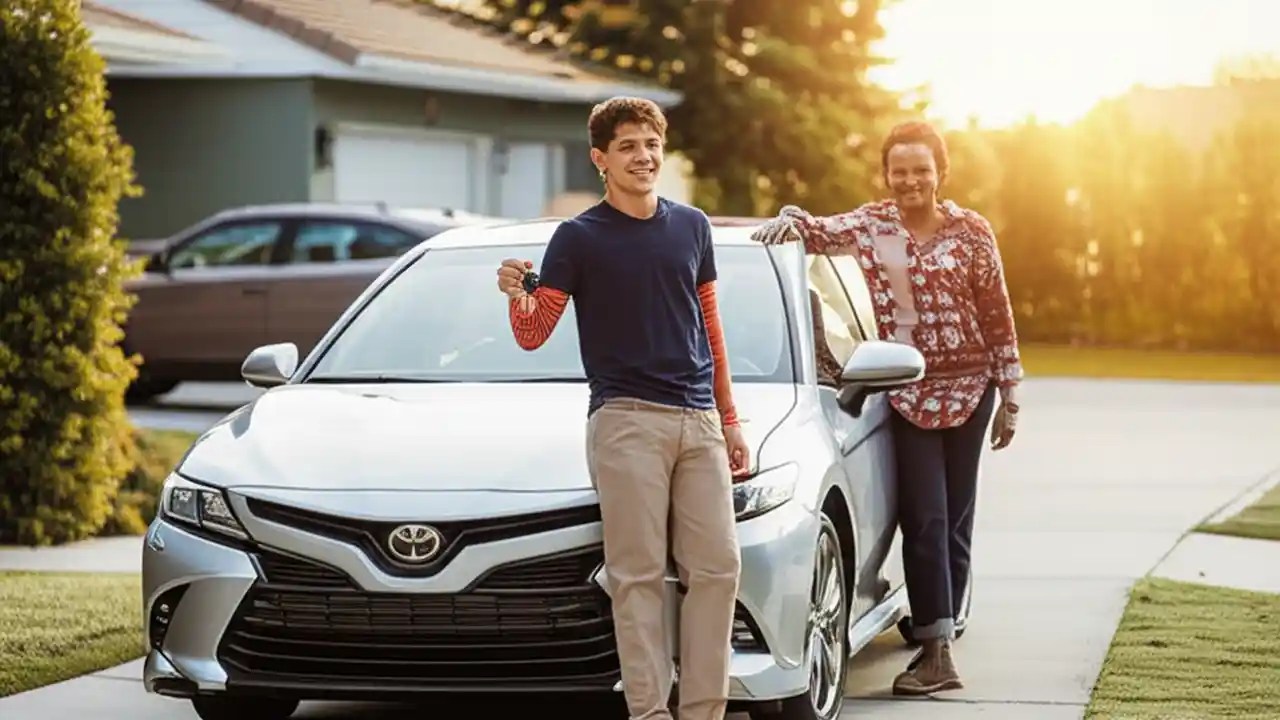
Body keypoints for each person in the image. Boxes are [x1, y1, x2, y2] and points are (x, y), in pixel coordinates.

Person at [495, 96, 748, 720]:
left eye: (652, 144)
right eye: (629, 146)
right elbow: (534, 331)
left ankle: (702, 712)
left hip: (700, 422)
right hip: (626, 420)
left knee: (717, 570)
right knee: (635, 578)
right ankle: (649, 712)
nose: (644, 156)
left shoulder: (692, 226)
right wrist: (513, 293)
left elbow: (710, 328)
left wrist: (731, 419)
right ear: (600, 159)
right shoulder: (578, 238)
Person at [750, 120, 1023, 696]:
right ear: (886, 175)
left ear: (940, 173)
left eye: (921, 170)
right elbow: (816, 231)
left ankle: (940, 632)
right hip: (908, 388)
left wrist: (1011, 394)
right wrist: (786, 220)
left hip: (973, 388)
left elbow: (996, 314)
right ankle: (937, 649)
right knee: (924, 515)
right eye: (899, 171)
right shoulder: (873, 225)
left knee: (956, 519)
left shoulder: (972, 232)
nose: (910, 181)